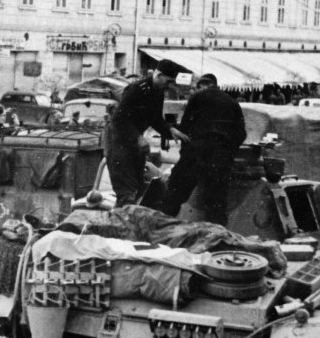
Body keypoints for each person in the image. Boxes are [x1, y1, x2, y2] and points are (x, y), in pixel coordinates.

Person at [161, 73, 246, 225]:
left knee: (174, 193)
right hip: (220, 156)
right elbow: (241, 133)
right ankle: (217, 238)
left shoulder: (197, 98)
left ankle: (163, 228)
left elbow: (185, 128)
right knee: (216, 202)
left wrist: (186, 153)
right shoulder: (232, 102)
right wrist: (227, 152)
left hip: (196, 152)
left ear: (201, 86)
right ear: (215, 84)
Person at [105, 59, 188, 207]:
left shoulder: (158, 92)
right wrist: (138, 138)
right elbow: (118, 118)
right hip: (119, 141)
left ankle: (125, 220)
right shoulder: (137, 89)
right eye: (168, 81)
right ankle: (123, 224)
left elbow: (155, 118)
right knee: (126, 190)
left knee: (137, 186)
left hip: (134, 143)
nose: (169, 86)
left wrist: (169, 129)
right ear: (159, 75)